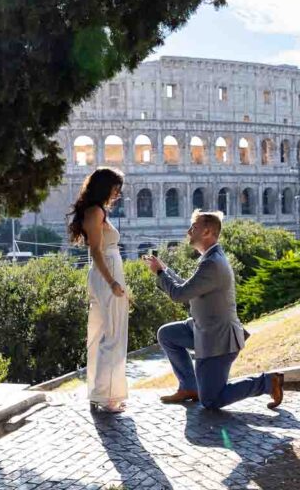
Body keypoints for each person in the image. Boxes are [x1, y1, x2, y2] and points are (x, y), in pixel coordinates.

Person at [143, 210, 283, 410]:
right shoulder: (210, 258)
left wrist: (159, 272)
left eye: (194, 227)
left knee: (211, 400)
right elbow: (187, 289)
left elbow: (179, 295)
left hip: (218, 339)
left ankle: (268, 383)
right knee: (167, 334)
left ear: (207, 231)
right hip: (202, 329)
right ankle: (189, 387)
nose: (189, 232)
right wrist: (165, 271)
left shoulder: (212, 263)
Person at [68, 167, 129, 413]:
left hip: (108, 272)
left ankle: (101, 393)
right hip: (107, 272)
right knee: (111, 335)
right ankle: (106, 396)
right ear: (106, 187)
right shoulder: (95, 212)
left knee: (101, 332)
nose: (118, 193)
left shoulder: (97, 211)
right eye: (116, 188)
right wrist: (113, 282)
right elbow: (96, 251)